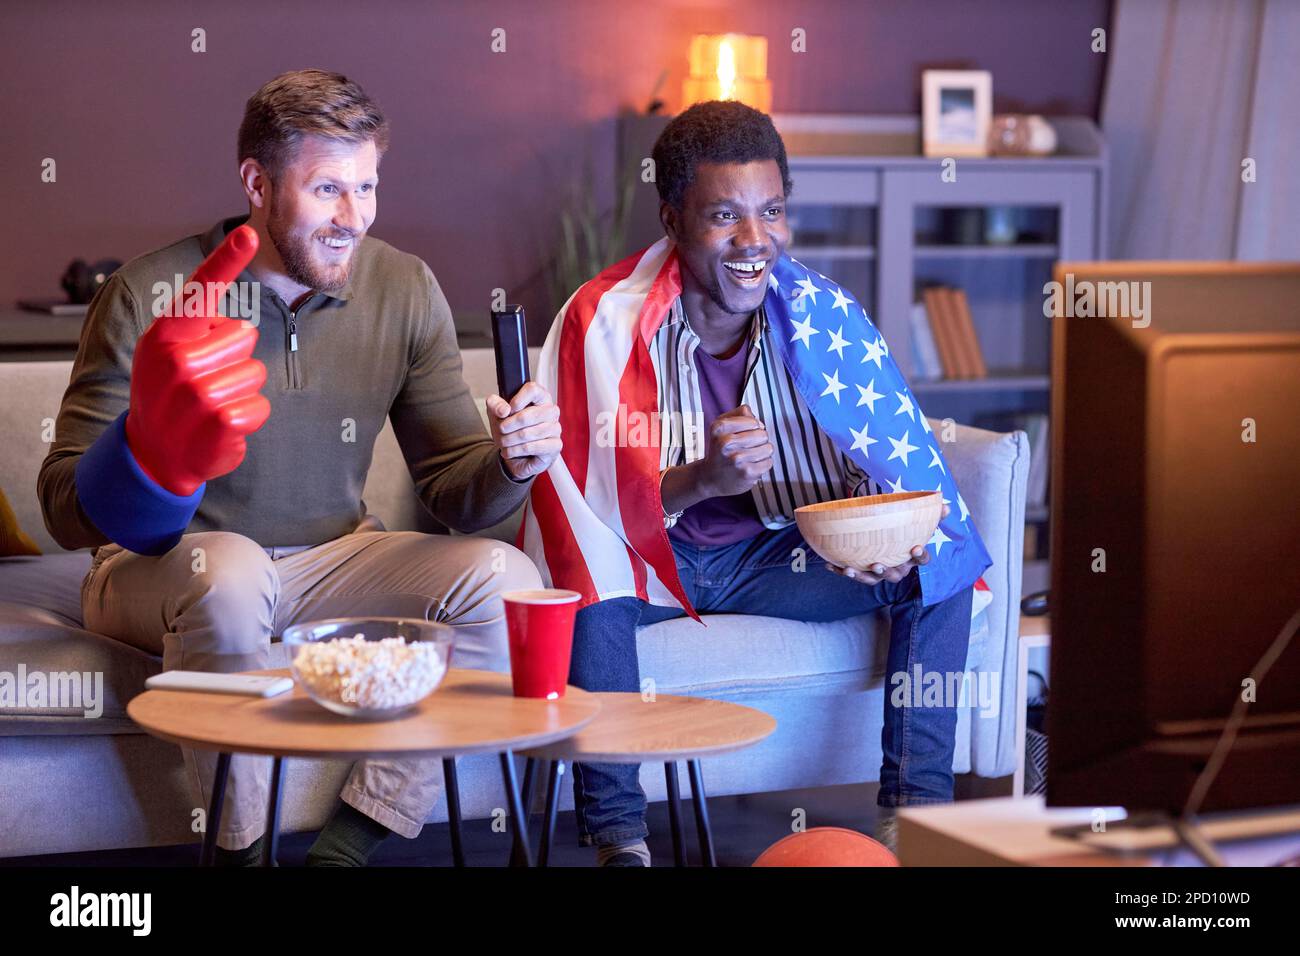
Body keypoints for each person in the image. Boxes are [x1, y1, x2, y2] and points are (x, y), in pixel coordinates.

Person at [37, 69, 561, 866]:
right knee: (233, 571)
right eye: (327, 190)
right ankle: (240, 856)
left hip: (335, 557)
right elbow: (62, 504)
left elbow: (456, 487)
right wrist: (146, 451)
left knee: (503, 575)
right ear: (257, 182)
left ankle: (348, 846)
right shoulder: (151, 291)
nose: (355, 218)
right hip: (168, 565)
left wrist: (514, 462)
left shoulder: (402, 286)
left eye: (368, 187)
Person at [520, 101, 993, 866]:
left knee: (947, 559)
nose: (755, 240)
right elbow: (580, 505)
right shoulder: (602, 320)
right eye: (725, 216)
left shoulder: (822, 317)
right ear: (673, 220)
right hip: (643, 564)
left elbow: (891, 478)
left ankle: (916, 827)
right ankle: (621, 844)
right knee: (583, 587)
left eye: (772, 211)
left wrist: (888, 540)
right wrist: (704, 478)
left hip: (775, 558)